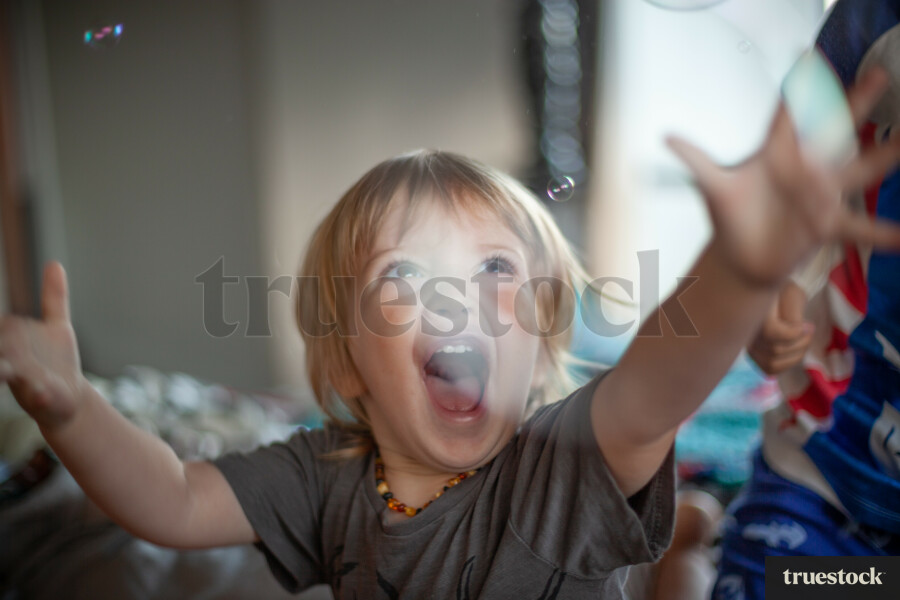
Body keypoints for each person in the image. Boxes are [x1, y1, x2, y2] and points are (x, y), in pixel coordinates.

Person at [3, 76, 899, 596]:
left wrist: (741, 268)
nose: (454, 305)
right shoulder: (323, 477)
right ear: (344, 359)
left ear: (543, 338)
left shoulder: (559, 466)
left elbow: (657, 385)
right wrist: (74, 408)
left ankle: (685, 544)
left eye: (495, 272)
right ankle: (680, 535)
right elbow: (169, 498)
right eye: (402, 278)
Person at [713, 2, 900, 598]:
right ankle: (692, 542)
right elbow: (792, 171)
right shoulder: (874, 18)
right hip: (825, 471)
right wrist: (764, 290)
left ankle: (692, 537)